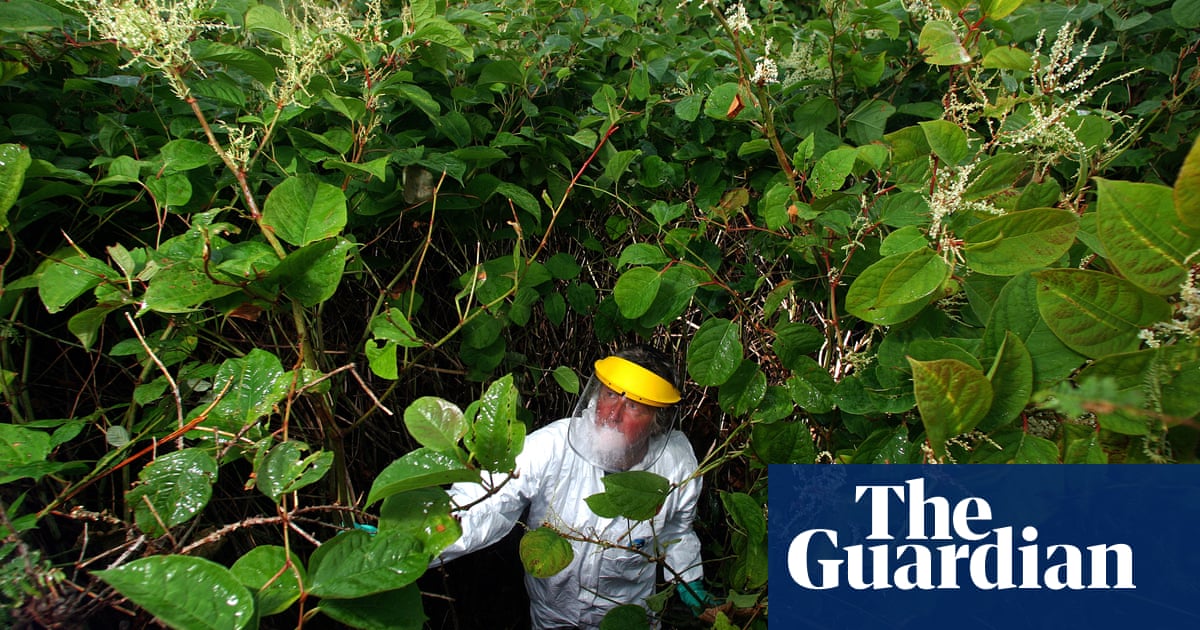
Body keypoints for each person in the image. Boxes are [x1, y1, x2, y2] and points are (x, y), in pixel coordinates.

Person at [434, 346, 709, 628]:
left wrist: (690, 578)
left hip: (628, 618)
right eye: (611, 394)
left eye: (634, 406)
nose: (612, 415)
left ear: (657, 421)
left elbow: (676, 529)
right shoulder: (551, 447)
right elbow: (485, 503)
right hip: (552, 613)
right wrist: (413, 539)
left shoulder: (676, 465)